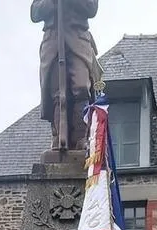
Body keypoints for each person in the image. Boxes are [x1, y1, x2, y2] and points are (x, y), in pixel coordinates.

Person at [30, 0, 103, 152]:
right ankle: (58, 136)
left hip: (78, 38)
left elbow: (91, 8)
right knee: (57, 92)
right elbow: (35, 12)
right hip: (53, 40)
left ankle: (81, 137)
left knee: (82, 86)